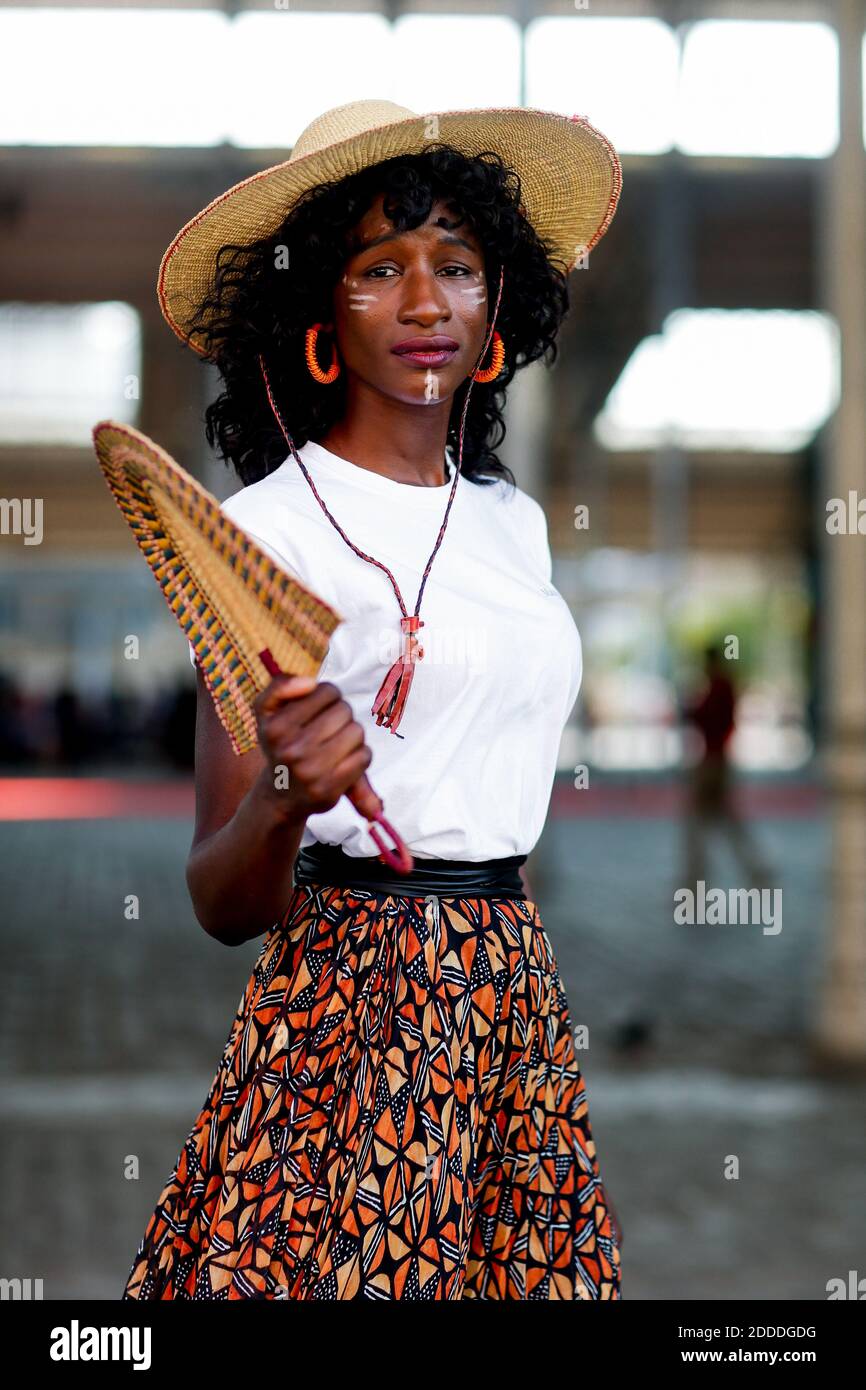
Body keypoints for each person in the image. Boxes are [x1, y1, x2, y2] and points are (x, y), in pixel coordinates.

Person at [122, 99, 624, 1301]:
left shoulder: (511, 526)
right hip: (354, 1008)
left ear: (492, 306)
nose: (421, 303)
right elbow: (219, 896)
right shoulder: (260, 539)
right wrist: (291, 793)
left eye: (454, 265)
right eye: (377, 269)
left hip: (510, 996)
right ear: (315, 315)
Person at [682, 643, 770, 887]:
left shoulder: (720, 686)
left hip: (714, 761)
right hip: (716, 759)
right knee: (726, 821)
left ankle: (695, 878)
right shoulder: (722, 684)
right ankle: (756, 871)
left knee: (700, 822)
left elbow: (712, 720)